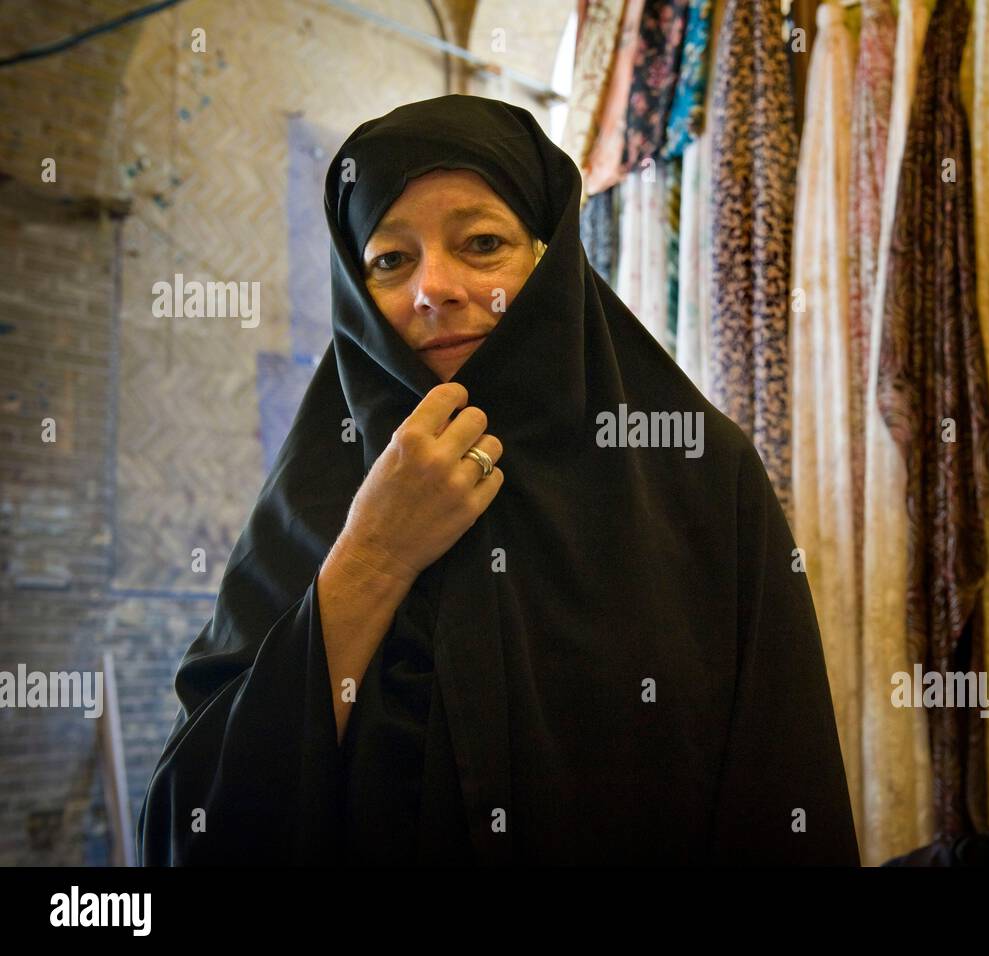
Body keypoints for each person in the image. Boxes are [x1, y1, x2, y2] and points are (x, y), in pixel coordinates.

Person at [136, 93, 858, 865]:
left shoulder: (696, 480)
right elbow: (191, 829)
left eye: (481, 243)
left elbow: (785, 794)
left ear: (551, 261)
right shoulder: (317, 500)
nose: (433, 289)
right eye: (390, 259)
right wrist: (374, 555)